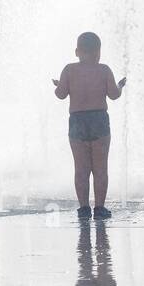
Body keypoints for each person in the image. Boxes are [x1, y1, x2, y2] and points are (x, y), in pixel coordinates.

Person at [53, 31, 126, 219]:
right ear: (99, 52)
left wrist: (58, 85)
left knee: (81, 168)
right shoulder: (104, 69)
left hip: (77, 121)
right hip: (99, 119)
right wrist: (120, 86)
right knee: (100, 168)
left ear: (77, 51)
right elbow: (114, 95)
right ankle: (100, 208)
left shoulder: (69, 70)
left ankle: (84, 208)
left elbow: (60, 95)